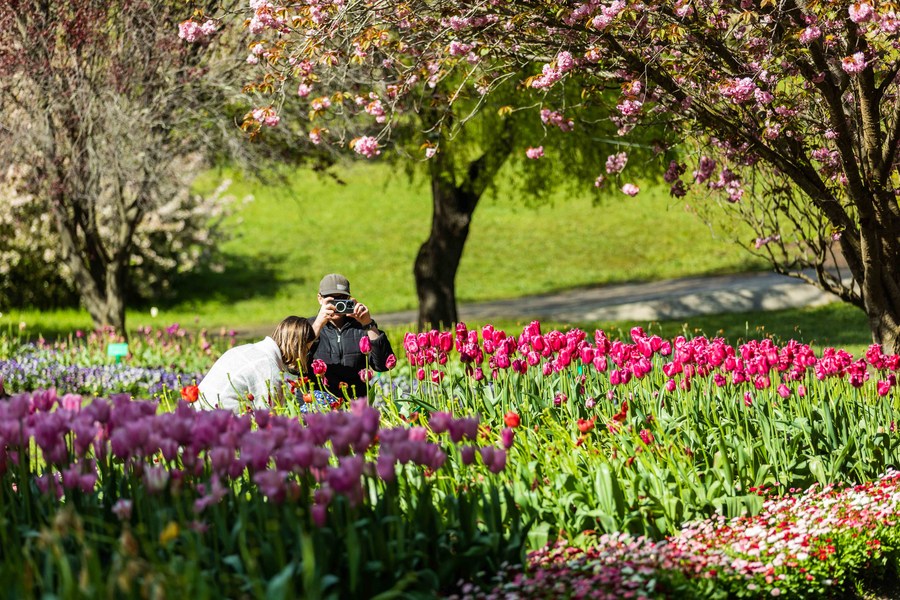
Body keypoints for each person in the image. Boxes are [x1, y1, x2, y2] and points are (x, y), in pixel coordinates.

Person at [198, 316, 316, 412]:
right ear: (297, 347)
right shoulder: (268, 369)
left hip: (195, 414)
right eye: (306, 350)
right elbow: (266, 421)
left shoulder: (246, 349)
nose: (306, 355)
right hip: (214, 426)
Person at [309, 273, 394, 399]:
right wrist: (317, 326)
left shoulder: (362, 326)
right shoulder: (306, 326)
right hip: (319, 405)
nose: (337, 304)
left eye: (342, 298)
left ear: (349, 299)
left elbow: (382, 365)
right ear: (320, 298)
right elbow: (293, 367)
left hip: (356, 403)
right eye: (331, 299)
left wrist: (368, 324)